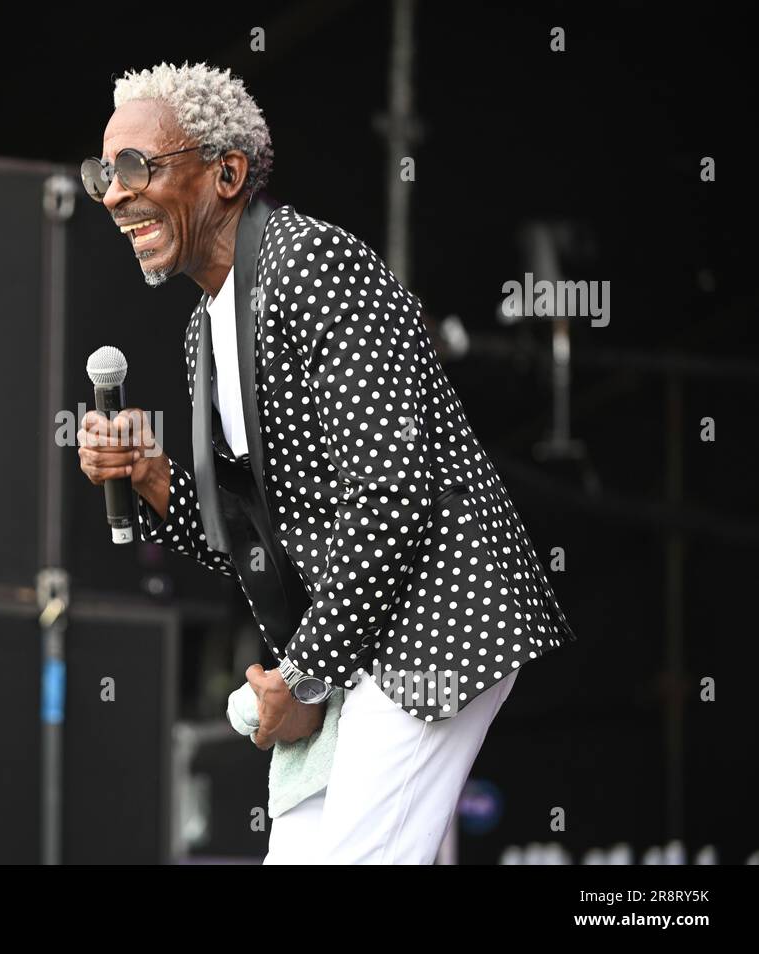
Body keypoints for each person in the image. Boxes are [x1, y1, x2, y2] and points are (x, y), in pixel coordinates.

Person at [75, 61, 576, 864]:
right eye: (106, 172)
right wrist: (153, 477)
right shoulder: (206, 330)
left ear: (227, 172)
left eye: (136, 167)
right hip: (352, 642)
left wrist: (300, 674)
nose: (112, 193)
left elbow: (392, 491)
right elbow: (250, 544)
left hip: (430, 616)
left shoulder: (314, 266)